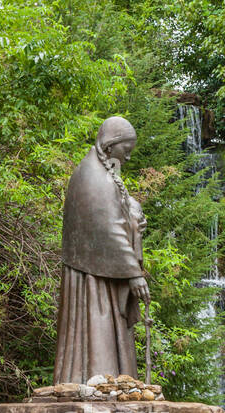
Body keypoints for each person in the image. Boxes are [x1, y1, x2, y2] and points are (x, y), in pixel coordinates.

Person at [54, 116, 150, 384]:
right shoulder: (93, 177)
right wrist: (134, 273)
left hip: (101, 272)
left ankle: (109, 381)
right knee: (98, 326)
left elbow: (115, 213)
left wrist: (132, 213)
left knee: (107, 326)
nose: (128, 159)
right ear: (110, 145)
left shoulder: (101, 172)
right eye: (126, 151)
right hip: (92, 278)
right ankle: (97, 381)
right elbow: (108, 229)